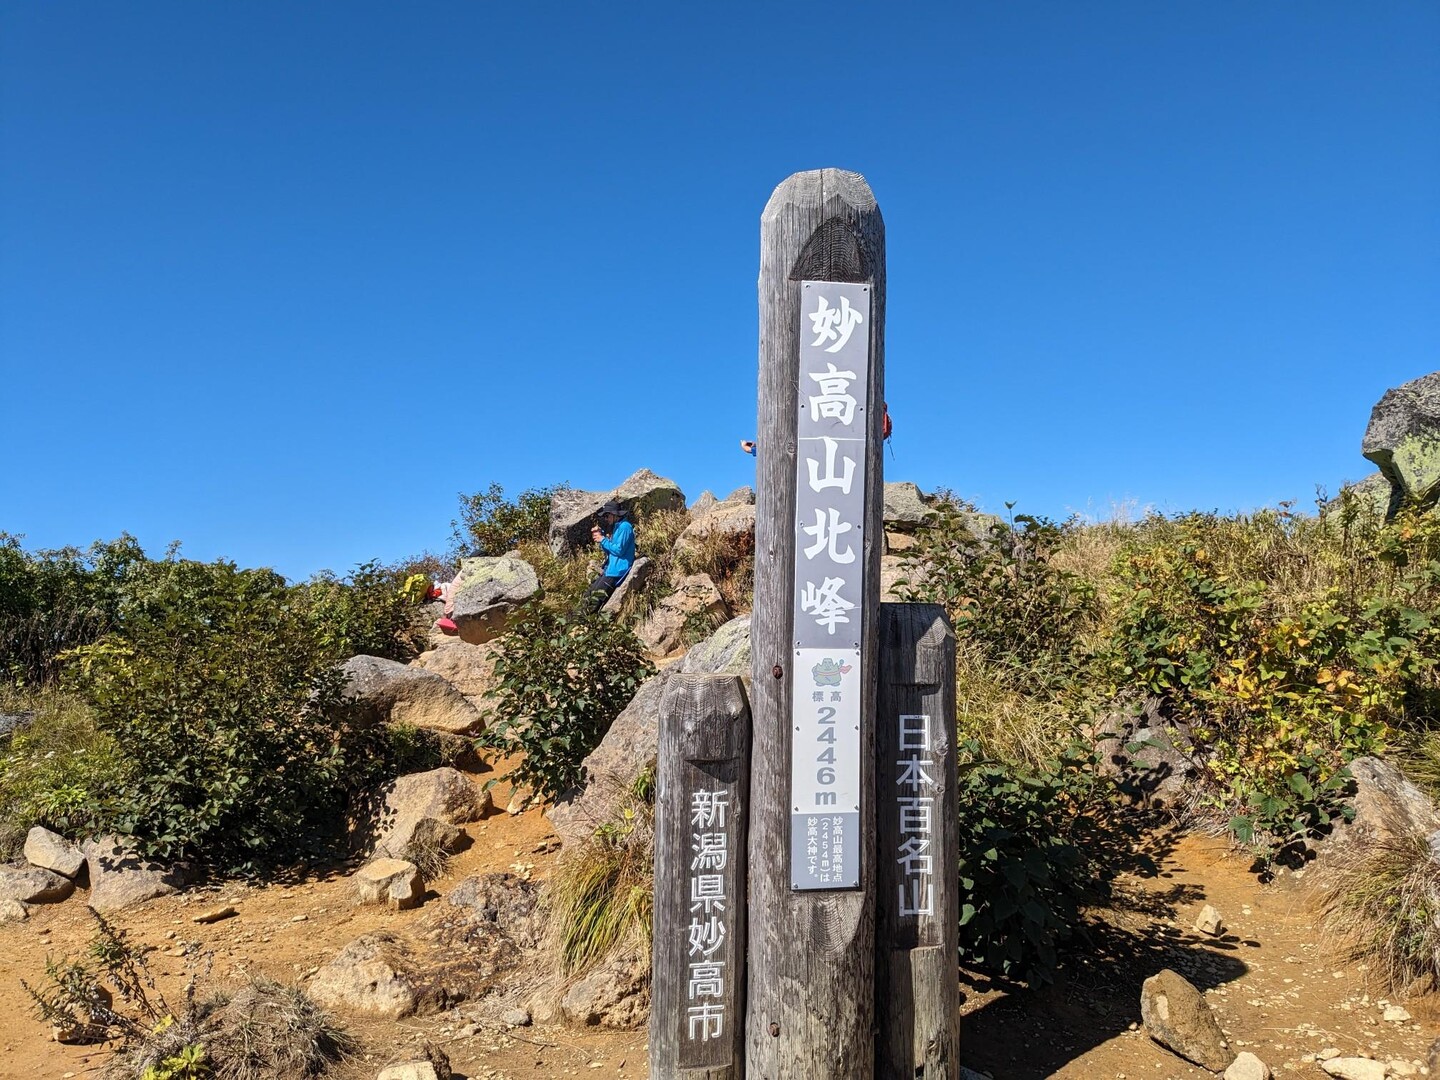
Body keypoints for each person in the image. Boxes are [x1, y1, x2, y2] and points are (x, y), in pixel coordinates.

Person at [582, 500, 635, 613]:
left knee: (594, 600)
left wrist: (603, 540)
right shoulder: (617, 527)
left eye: (607, 516)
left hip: (617, 571)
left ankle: (581, 623)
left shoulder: (625, 527)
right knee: (588, 595)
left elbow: (619, 550)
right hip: (610, 570)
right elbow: (611, 551)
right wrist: (601, 540)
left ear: (614, 514)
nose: (606, 519)